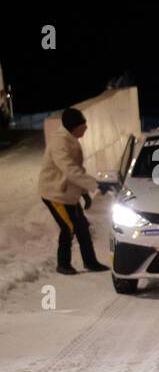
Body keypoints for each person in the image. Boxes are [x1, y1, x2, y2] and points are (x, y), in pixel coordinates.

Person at [37, 107, 108, 275]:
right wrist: (95, 185)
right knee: (68, 227)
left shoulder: (70, 139)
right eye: (83, 125)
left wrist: (84, 192)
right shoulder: (59, 143)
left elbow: (76, 170)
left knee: (82, 227)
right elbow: (70, 170)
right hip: (54, 194)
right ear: (74, 127)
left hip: (68, 193)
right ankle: (63, 264)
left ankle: (90, 262)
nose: (86, 128)